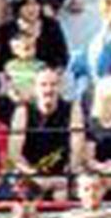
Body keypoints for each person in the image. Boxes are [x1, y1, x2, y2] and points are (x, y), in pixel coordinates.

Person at [6, 64, 77, 200]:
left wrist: (68, 174)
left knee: (63, 192)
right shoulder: (23, 111)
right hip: (30, 171)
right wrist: (34, 174)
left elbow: (77, 147)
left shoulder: (72, 109)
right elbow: (14, 153)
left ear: (60, 87)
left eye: (53, 84)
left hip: (62, 172)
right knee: (30, 190)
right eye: (43, 85)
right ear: (35, 88)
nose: (48, 89)